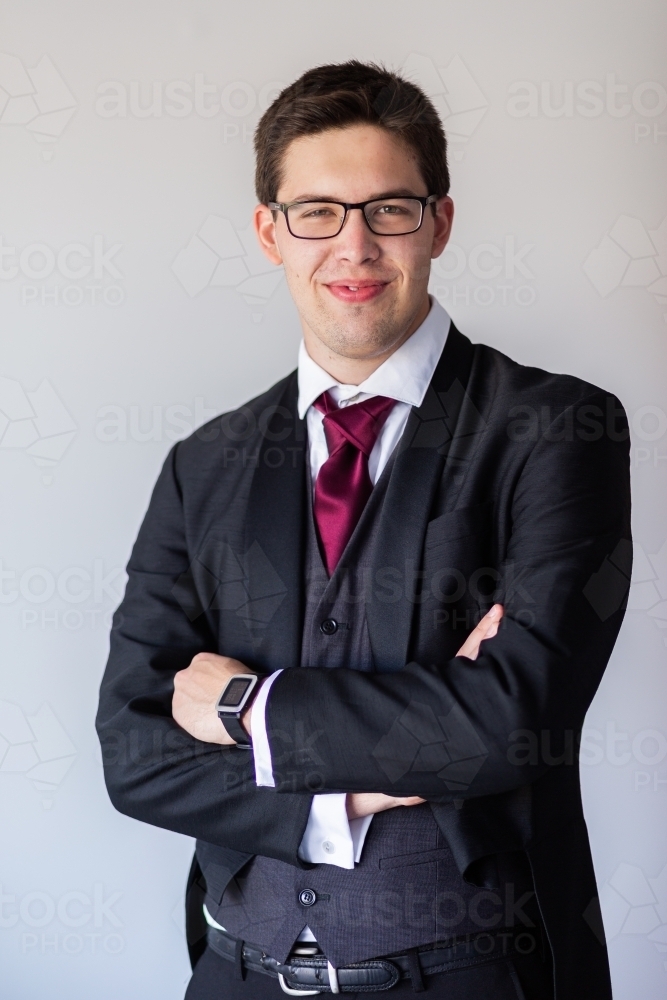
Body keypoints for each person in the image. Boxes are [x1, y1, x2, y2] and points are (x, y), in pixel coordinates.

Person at [96, 61, 632, 999]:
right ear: (270, 231)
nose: (354, 245)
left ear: (439, 224)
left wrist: (242, 710)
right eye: (316, 212)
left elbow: (509, 725)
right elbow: (133, 752)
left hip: (473, 977)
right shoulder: (203, 464)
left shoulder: (556, 429)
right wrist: (347, 792)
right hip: (237, 976)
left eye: (389, 208)